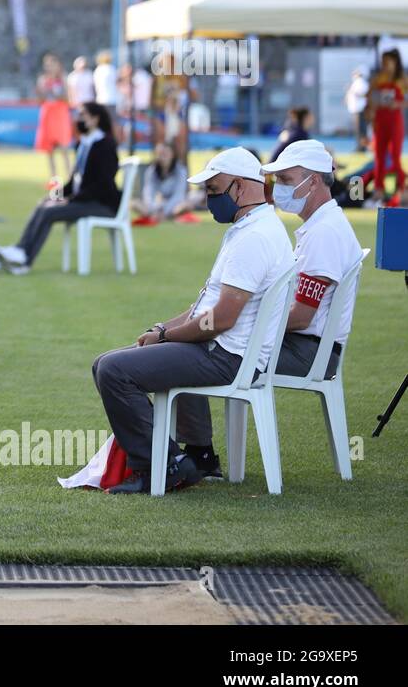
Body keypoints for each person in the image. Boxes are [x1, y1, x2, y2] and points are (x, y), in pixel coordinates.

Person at [92, 147, 293, 494]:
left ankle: (163, 465)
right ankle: (198, 455)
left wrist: (169, 335)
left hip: (227, 356)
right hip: (225, 349)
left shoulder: (255, 238)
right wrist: (162, 331)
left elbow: (220, 320)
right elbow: (205, 306)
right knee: (108, 363)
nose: (207, 199)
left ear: (241, 188)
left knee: (113, 370)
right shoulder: (252, 227)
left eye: (213, 190)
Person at [261, 140, 363, 379]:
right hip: (309, 347)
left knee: (215, 353)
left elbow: (301, 316)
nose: (278, 188)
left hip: (308, 352)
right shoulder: (324, 225)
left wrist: (246, 320)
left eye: (285, 180)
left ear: (314, 182)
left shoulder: (324, 233)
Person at [0, 102, 120, 274]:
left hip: (102, 204)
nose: (78, 119)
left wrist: (70, 200)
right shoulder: (84, 144)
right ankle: (19, 251)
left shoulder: (105, 144)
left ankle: (24, 261)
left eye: (83, 115)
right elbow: (75, 181)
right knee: (44, 204)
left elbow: (103, 184)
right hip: (84, 200)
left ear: (96, 119)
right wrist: (55, 195)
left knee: (49, 212)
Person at [365, 48, 406, 207]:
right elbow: (369, 95)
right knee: (379, 157)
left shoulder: (402, 79)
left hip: (395, 120)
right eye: (383, 62)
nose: (384, 65)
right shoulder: (378, 78)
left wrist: (399, 103)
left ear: (395, 62)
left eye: (387, 62)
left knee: (395, 157)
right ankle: (378, 191)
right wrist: (371, 109)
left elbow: (405, 100)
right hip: (380, 120)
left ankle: (402, 189)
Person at [34, 53, 72, 182]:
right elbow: (40, 100)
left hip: (60, 113)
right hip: (48, 114)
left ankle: (69, 178)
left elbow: (68, 98)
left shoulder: (63, 79)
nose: (49, 68)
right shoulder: (43, 80)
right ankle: (54, 179)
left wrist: (57, 94)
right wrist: (42, 92)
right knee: (49, 150)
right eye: (47, 66)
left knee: (64, 148)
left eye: (52, 65)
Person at [133, 142, 187, 223]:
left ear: (172, 154)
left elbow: (178, 195)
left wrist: (164, 211)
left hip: (173, 206)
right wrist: (155, 209)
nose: (163, 157)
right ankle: (154, 216)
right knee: (134, 203)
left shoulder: (181, 171)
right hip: (154, 206)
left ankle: (164, 216)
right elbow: (148, 193)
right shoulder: (151, 171)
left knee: (185, 206)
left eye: (166, 153)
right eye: (160, 154)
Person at [345, 67, 369, 150]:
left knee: (361, 130)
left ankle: (362, 147)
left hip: (360, 110)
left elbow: (363, 94)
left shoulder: (361, 83)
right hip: (356, 110)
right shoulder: (356, 83)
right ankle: (360, 146)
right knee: (358, 130)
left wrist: (353, 93)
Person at [92, 50, 118, 125]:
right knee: (112, 122)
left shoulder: (97, 70)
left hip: (100, 99)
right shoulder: (111, 69)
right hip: (111, 99)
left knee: (102, 122)